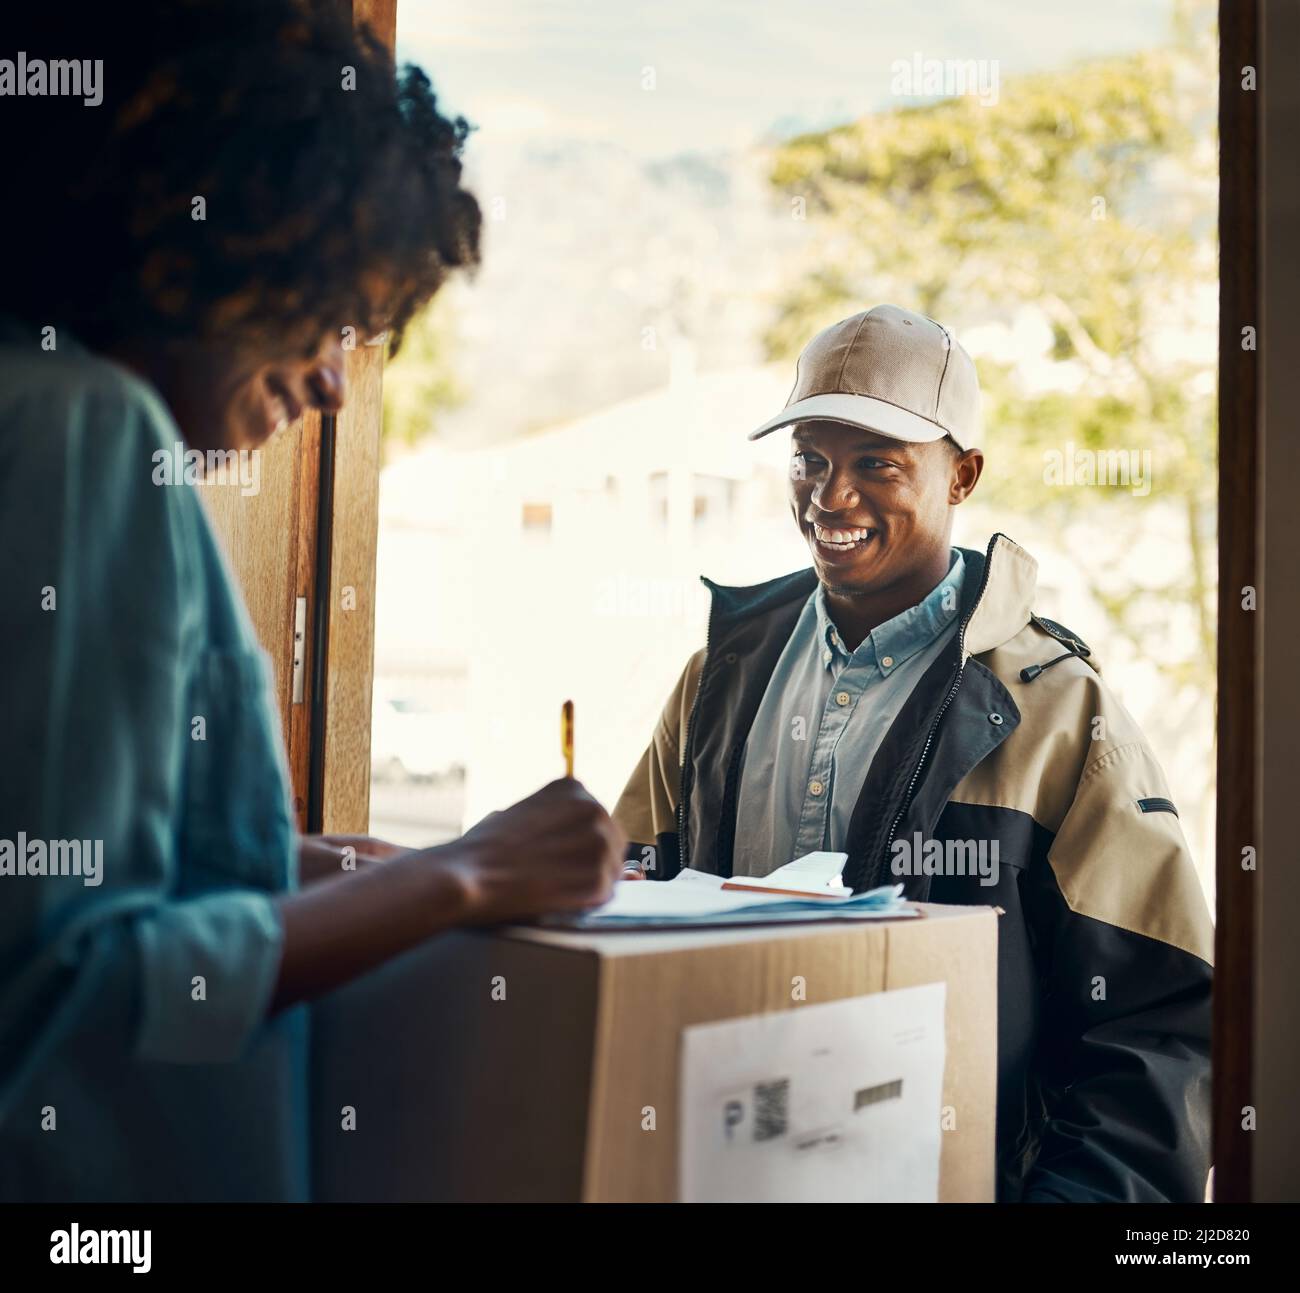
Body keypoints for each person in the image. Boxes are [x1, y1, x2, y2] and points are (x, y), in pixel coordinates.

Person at [0, 0, 625, 1202]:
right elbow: (68, 975)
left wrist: (298, 860)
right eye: (335, 318)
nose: (338, 385)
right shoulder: (82, 430)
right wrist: (462, 878)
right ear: (218, 239)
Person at [613, 303, 1214, 1202]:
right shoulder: (720, 676)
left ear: (962, 475)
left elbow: (1159, 1028)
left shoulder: (1057, 710)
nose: (829, 497)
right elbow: (628, 902)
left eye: (875, 465)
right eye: (809, 458)